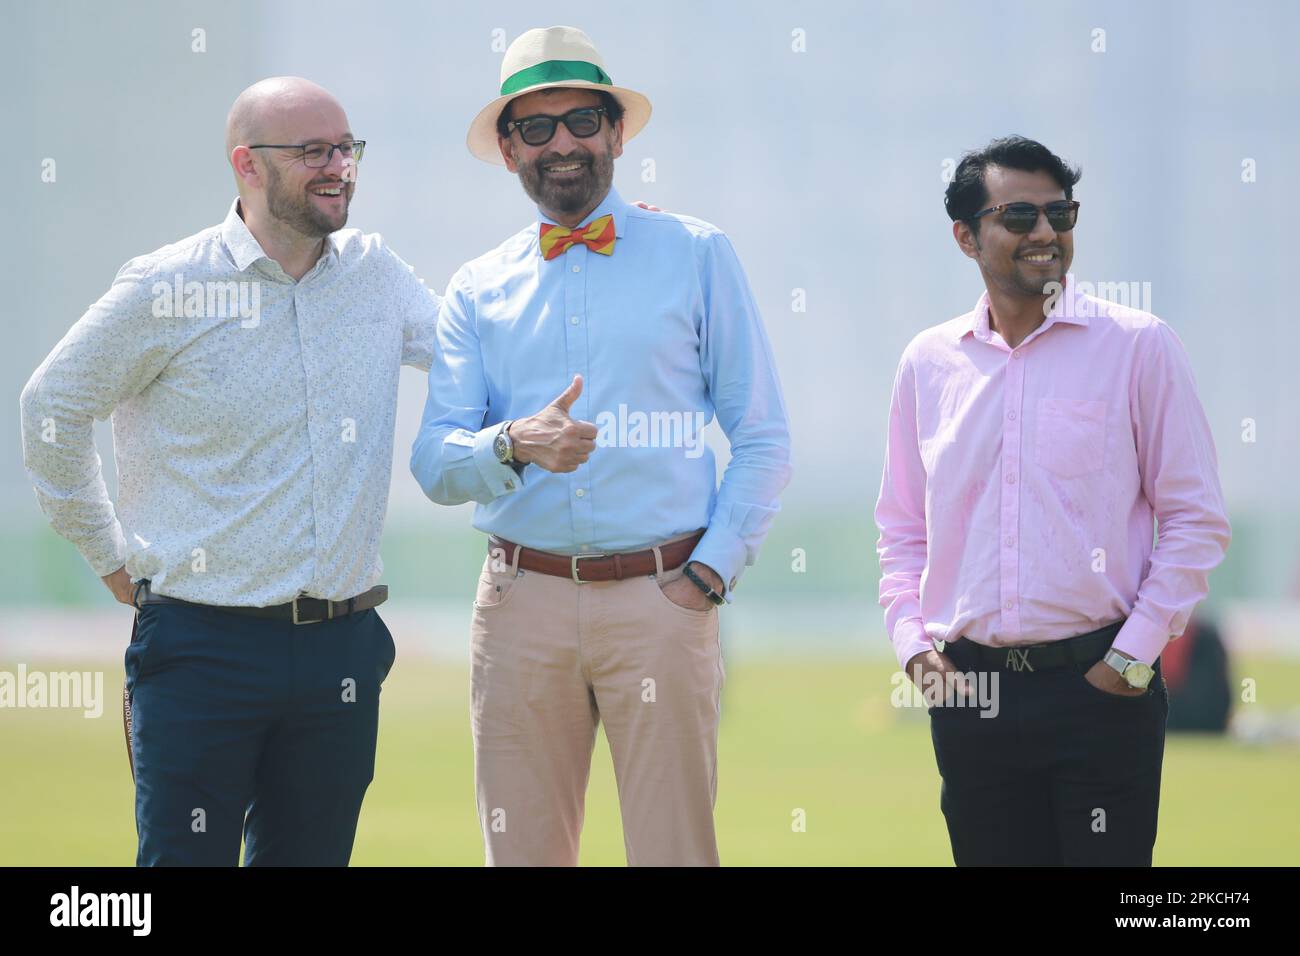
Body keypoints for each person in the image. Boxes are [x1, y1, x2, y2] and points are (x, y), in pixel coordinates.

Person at [19, 77, 439, 865]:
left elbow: (477, 344)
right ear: (248, 166)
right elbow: (51, 410)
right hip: (202, 650)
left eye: (347, 149)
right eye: (313, 151)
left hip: (341, 654)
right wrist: (106, 551)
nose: (339, 167)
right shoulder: (166, 286)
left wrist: (599, 243)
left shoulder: (377, 275)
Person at [410, 25, 792, 866]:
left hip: (664, 597)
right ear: (509, 151)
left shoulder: (697, 253)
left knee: (674, 853)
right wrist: (512, 443)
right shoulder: (477, 286)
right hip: (520, 604)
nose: (564, 144)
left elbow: (762, 435)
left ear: (617, 133)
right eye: (536, 128)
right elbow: (434, 461)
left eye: (582, 119)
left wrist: (709, 573)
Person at [874, 135, 1231, 865]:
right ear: (966, 236)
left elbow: (1194, 521)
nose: (1045, 233)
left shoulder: (1139, 347)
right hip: (970, 694)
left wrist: (1131, 659)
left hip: (1102, 688)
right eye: (1020, 216)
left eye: (1059, 214)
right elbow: (903, 530)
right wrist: (915, 650)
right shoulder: (928, 362)